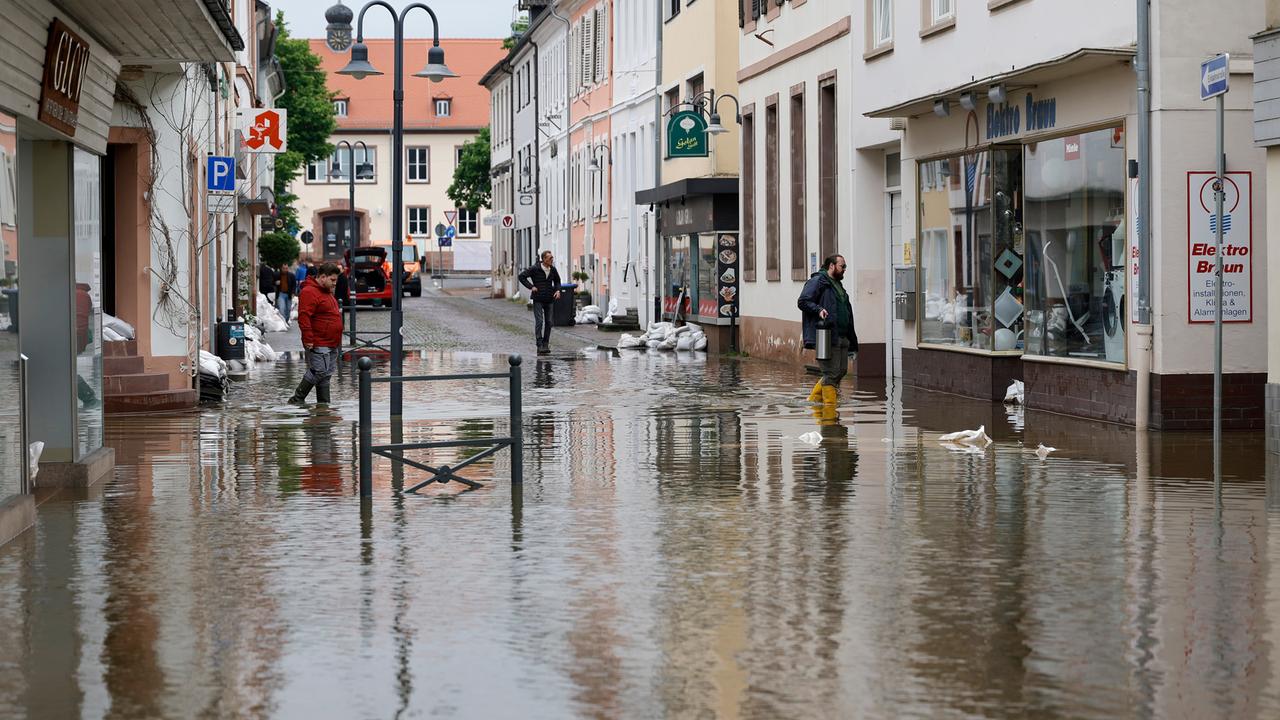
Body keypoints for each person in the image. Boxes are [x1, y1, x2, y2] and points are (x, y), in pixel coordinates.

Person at [798, 254, 859, 405]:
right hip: (826, 335)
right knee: (831, 373)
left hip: (842, 335)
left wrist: (852, 340)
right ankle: (829, 413)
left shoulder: (838, 285)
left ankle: (813, 401)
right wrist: (818, 309)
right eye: (842, 266)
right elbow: (803, 301)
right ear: (831, 266)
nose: (844, 269)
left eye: (845, 266)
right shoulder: (819, 281)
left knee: (841, 371)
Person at [289, 263, 344, 405]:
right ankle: (297, 399)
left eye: (335, 280)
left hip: (331, 342)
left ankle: (323, 405)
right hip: (319, 341)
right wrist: (308, 338)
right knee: (319, 371)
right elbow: (304, 317)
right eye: (332, 280)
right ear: (323, 277)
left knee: (326, 375)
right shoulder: (309, 292)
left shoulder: (326, 292)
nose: (334, 283)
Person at [517, 250, 563, 355]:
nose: (552, 259)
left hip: (549, 298)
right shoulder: (535, 268)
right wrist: (531, 286)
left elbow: (557, 281)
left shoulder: (553, 269)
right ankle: (539, 344)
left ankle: (546, 343)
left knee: (549, 322)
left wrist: (558, 290)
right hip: (538, 298)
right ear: (544, 259)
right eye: (550, 258)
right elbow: (521, 276)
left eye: (552, 258)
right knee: (539, 321)